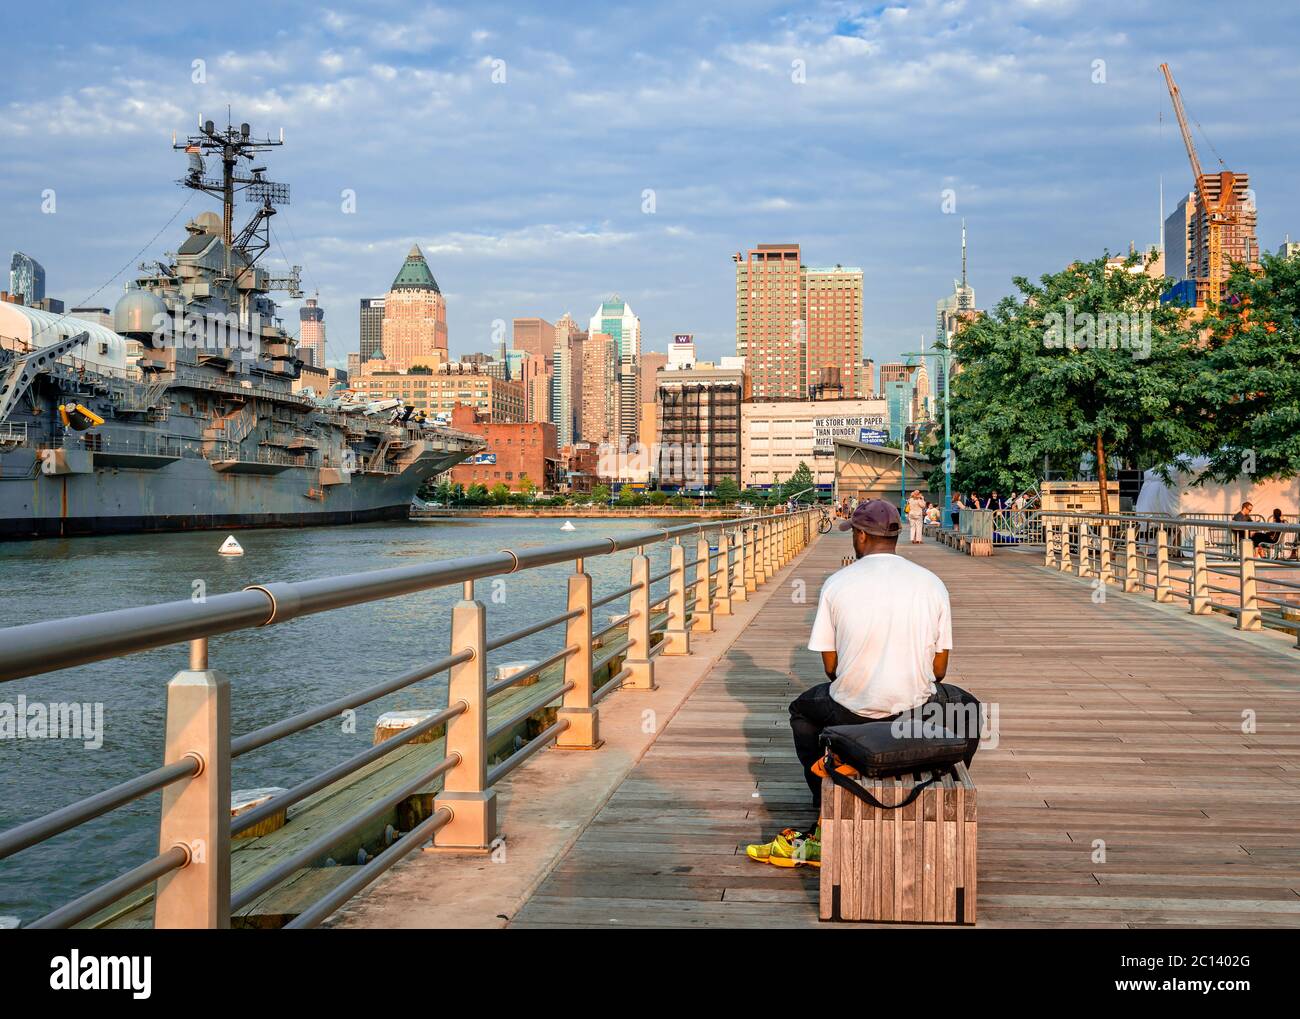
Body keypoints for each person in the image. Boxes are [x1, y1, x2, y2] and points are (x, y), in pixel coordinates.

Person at [745, 500, 953, 868]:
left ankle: (825, 800)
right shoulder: (932, 584)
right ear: (896, 535)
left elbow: (831, 669)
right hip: (913, 709)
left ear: (860, 535)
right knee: (962, 709)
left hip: (852, 708)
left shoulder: (837, 583)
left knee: (801, 713)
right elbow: (939, 671)